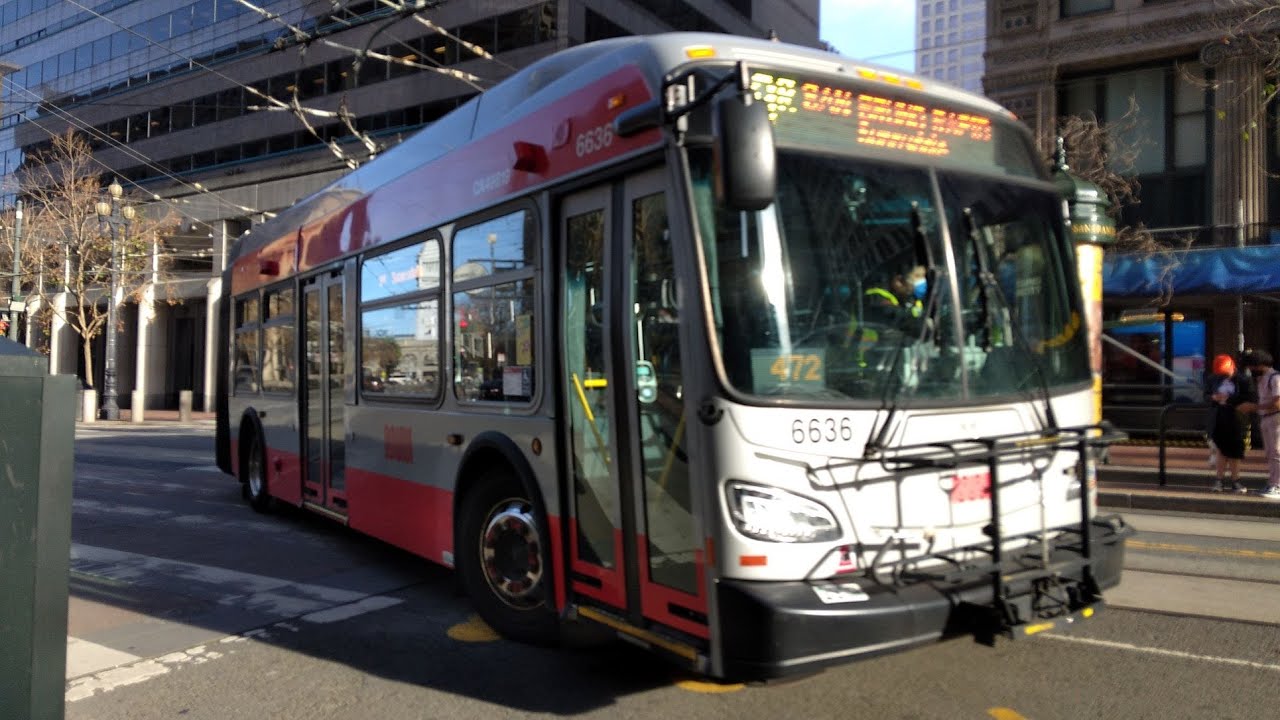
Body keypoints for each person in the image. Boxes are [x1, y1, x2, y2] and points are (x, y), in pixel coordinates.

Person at [1204, 353, 1254, 493]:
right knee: (1221, 449)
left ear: (1232, 366)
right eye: (1221, 374)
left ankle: (1235, 480)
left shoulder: (1243, 380)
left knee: (1235, 451)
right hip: (1219, 416)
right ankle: (1219, 480)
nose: (1223, 376)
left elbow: (1249, 397)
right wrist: (1213, 397)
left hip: (1236, 417)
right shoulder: (1213, 379)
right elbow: (1206, 395)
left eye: (1226, 373)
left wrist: (1230, 399)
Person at [1241, 349, 1280, 500]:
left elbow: (1278, 403)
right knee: (1270, 452)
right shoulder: (1261, 379)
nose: (1250, 370)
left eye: (1252, 366)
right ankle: (1272, 482)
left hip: (1275, 417)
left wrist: (1254, 407)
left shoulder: (1275, 378)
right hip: (1266, 417)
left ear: (1259, 365)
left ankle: (1277, 484)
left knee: (1277, 451)